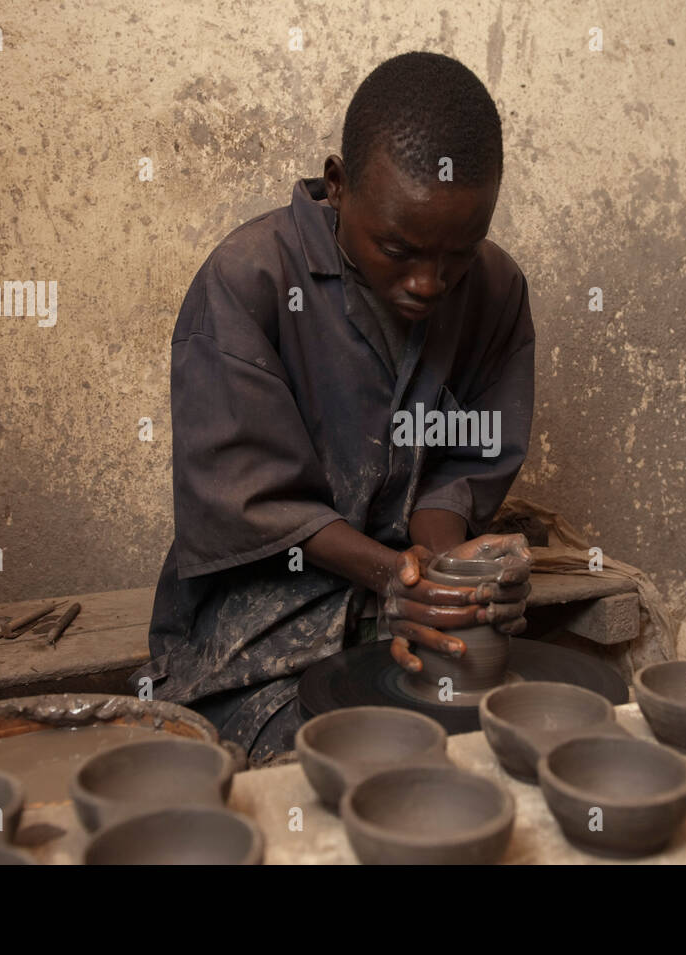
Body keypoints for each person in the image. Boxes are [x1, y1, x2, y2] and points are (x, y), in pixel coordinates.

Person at [131, 51, 536, 763]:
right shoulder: (250, 280)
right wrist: (388, 575)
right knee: (338, 773)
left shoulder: (496, 293)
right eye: (398, 248)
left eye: (459, 254)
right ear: (340, 185)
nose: (428, 282)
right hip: (261, 628)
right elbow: (253, 501)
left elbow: (458, 471)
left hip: (403, 620)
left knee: (501, 751)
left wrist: (450, 572)